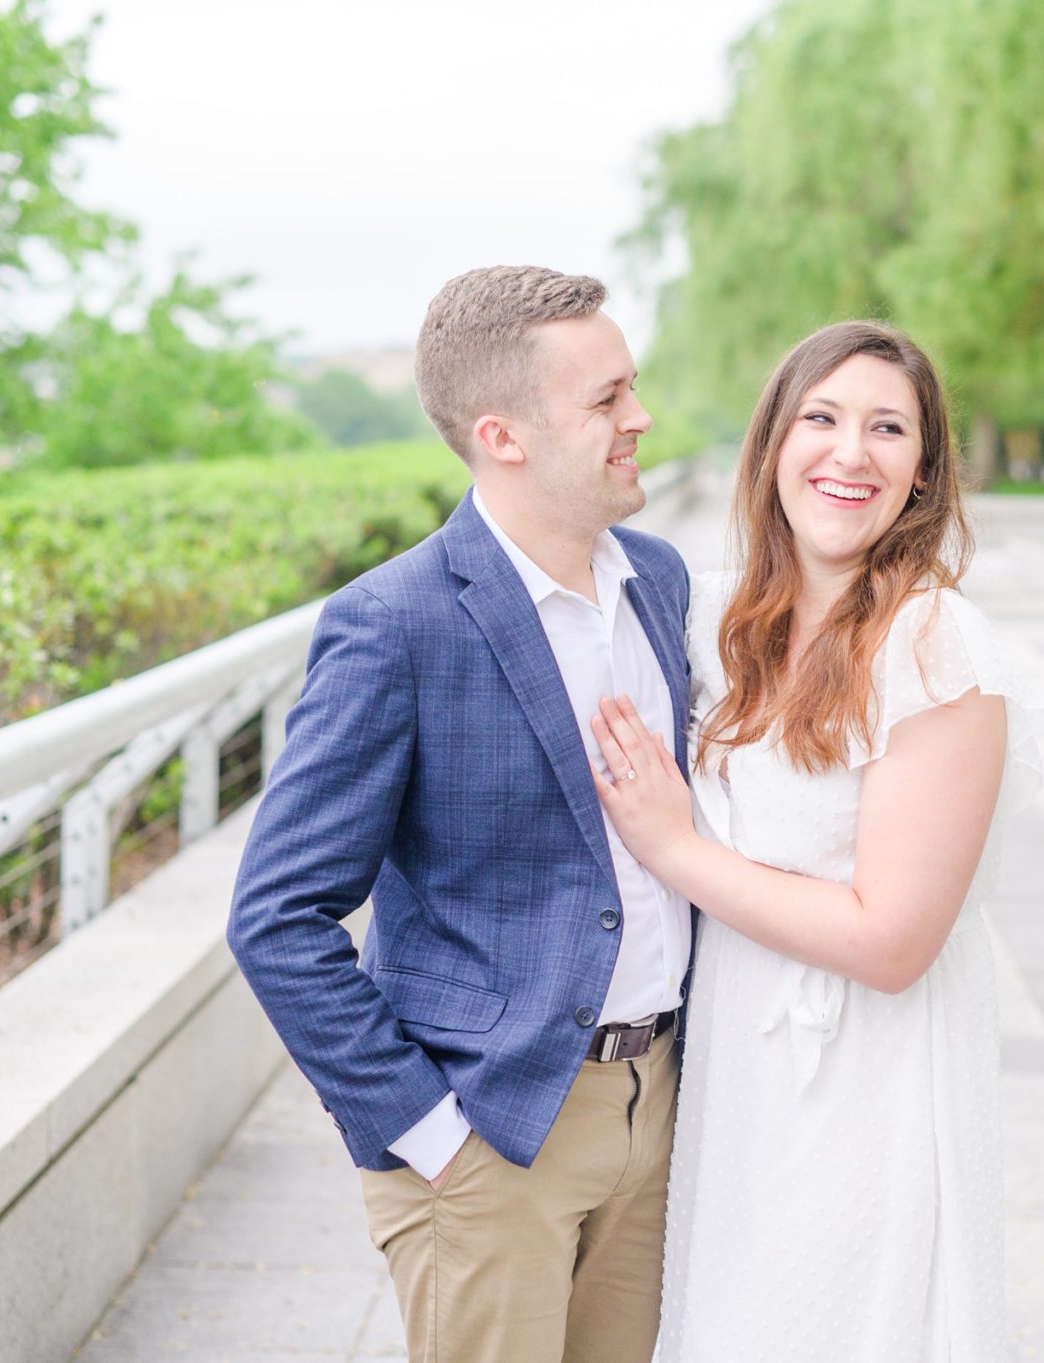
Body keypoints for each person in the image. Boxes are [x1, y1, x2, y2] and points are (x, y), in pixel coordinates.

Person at [226, 265, 692, 1363]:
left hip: (661, 1109)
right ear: (503, 435)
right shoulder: (394, 624)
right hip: (492, 1140)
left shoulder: (661, 582)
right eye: (606, 399)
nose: (640, 418)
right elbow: (276, 918)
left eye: (633, 387)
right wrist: (430, 1136)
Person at [586, 321, 1043, 1361]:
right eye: (822, 418)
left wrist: (676, 849)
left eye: (888, 428)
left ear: (920, 474)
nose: (850, 453)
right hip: (737, 1077)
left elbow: (892, 940)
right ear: (770, 444)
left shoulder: (934, 647)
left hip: (864, 1086)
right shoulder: (726, 623)